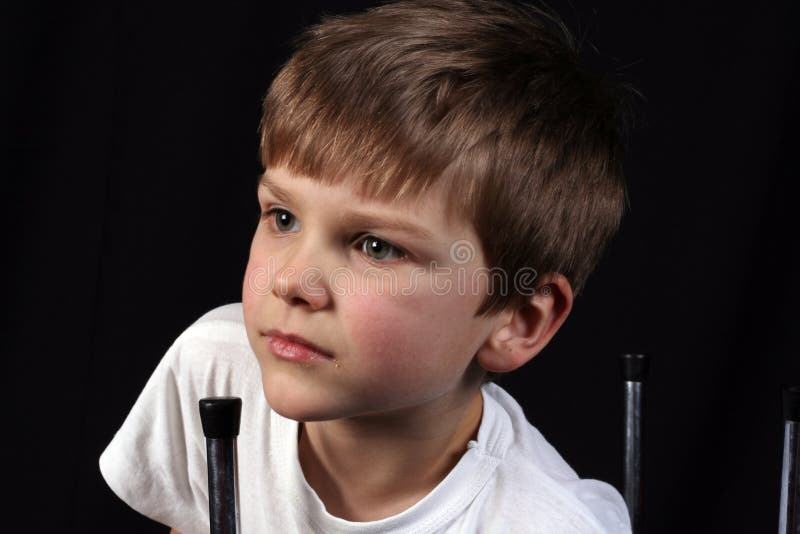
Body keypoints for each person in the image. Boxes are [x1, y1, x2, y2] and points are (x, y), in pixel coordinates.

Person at [100, 0, 638, 532]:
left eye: (375, 247)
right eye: (283, 217)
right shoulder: (212, 369)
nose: (291, 282)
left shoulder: (546, 524)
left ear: (518, 321)